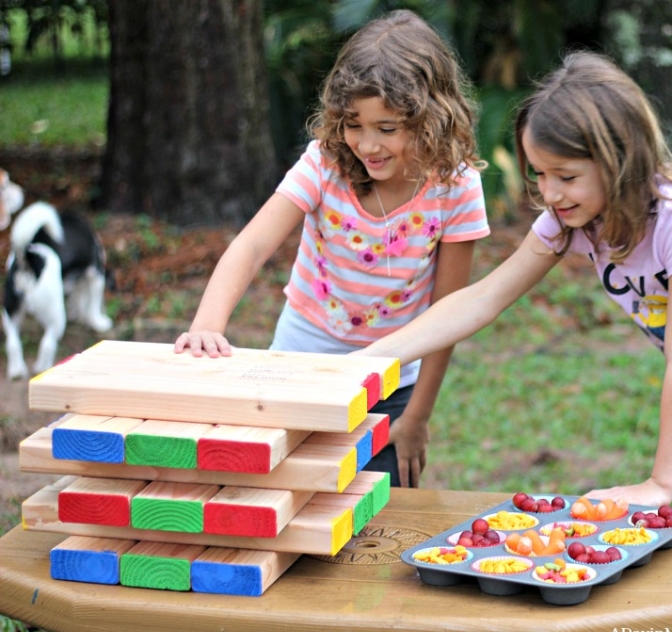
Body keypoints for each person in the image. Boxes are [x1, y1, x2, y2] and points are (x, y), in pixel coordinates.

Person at [353, 51, 672, 627]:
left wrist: (662, 482)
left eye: (565, 176)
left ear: (617, 161)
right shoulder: (575, 222)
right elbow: (483, 298)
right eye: (539, 174)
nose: (550, 192)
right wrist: (364, 360)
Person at [174, 10, 490, 489]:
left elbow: (447, 314)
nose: (367, 144)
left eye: (387, 128)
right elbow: (254, 242)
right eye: (354, 124)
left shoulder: (456, 186)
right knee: (282, 496)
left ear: (430, 119)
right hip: (299, 365)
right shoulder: (325, 162)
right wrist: (207, 326)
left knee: (375, 519)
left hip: (393, 385)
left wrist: (418, 417)